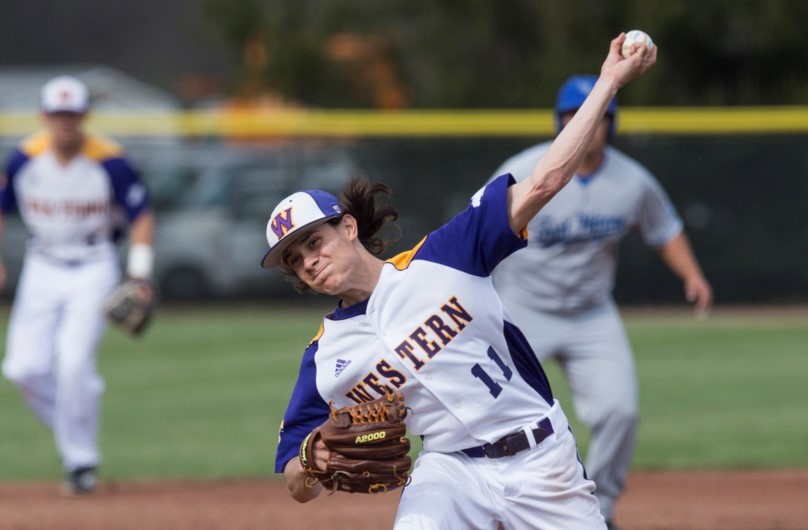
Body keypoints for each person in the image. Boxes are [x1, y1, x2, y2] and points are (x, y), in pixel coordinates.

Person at [264, 33, 656, 529]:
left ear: (347, 227)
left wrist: (609, 81)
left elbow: (545, 181)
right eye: (295, 260)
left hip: (541, 459)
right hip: (449, 473)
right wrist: (315, 458)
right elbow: (295, 483)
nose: (309, 262)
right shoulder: (325, 357)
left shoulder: (447, 256)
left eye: (314, 242)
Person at [487, 73, 713, 529]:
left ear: (611, 122)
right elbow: (476, 235)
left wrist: (692, 275)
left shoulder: (631, 181)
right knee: (492, 413)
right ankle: (491, 507)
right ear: (559, 121)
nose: (584, 124)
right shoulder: (523, 169)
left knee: (619, 411)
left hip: (591, 313)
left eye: (596, 116)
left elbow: (664, 230)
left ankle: (601, 510)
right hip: (519, 311)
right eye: (572, 115)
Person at [0, 75, 156, 495]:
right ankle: (77, 419)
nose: (64, 122)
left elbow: (141, 215)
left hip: (95, 265)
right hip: (41, 265)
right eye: (57, 114)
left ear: (84, 115)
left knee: (73, 363)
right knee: (22, 369)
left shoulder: (111, 161)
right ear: (44, 115)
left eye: (71, 114)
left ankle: (80, 462)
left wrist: (140, 271)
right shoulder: (23, 159)